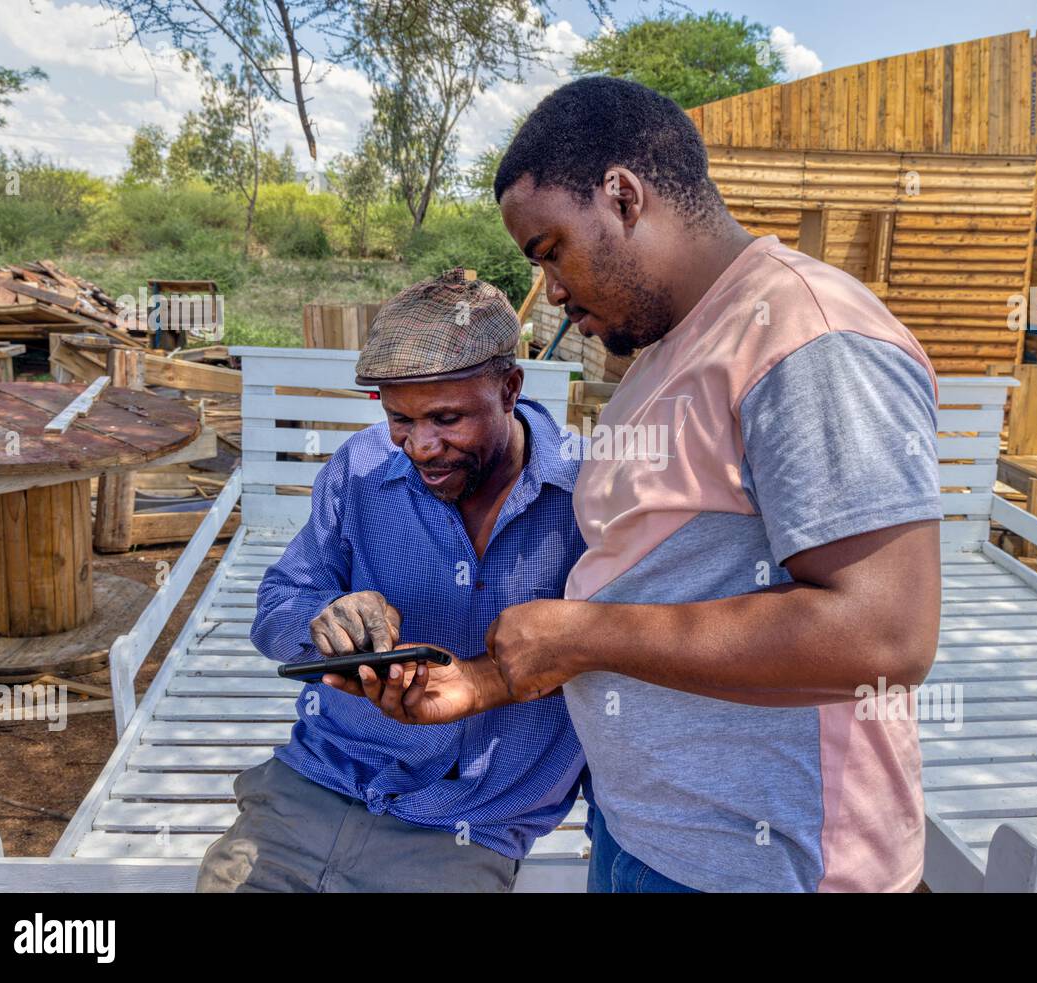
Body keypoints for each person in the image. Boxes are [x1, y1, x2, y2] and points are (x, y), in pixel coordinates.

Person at [354, 78, 943, 894]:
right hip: (649, 831)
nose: (552, 291)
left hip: (770, 862)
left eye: (550, 250)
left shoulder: (810, 336)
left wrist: (583, 635)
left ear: (623, 195)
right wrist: (489, 680)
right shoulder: (674, 343)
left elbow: (883, 635)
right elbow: (667, 576)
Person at [196, 268, 586, 893]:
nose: (421, 446)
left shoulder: (589, 495)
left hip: (464, 826)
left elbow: (622, 657)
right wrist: (324, 614)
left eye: (447, 418)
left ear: (510, 388)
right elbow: (276, 606)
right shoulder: (362, 469)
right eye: (400, 418)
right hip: (312, 787)